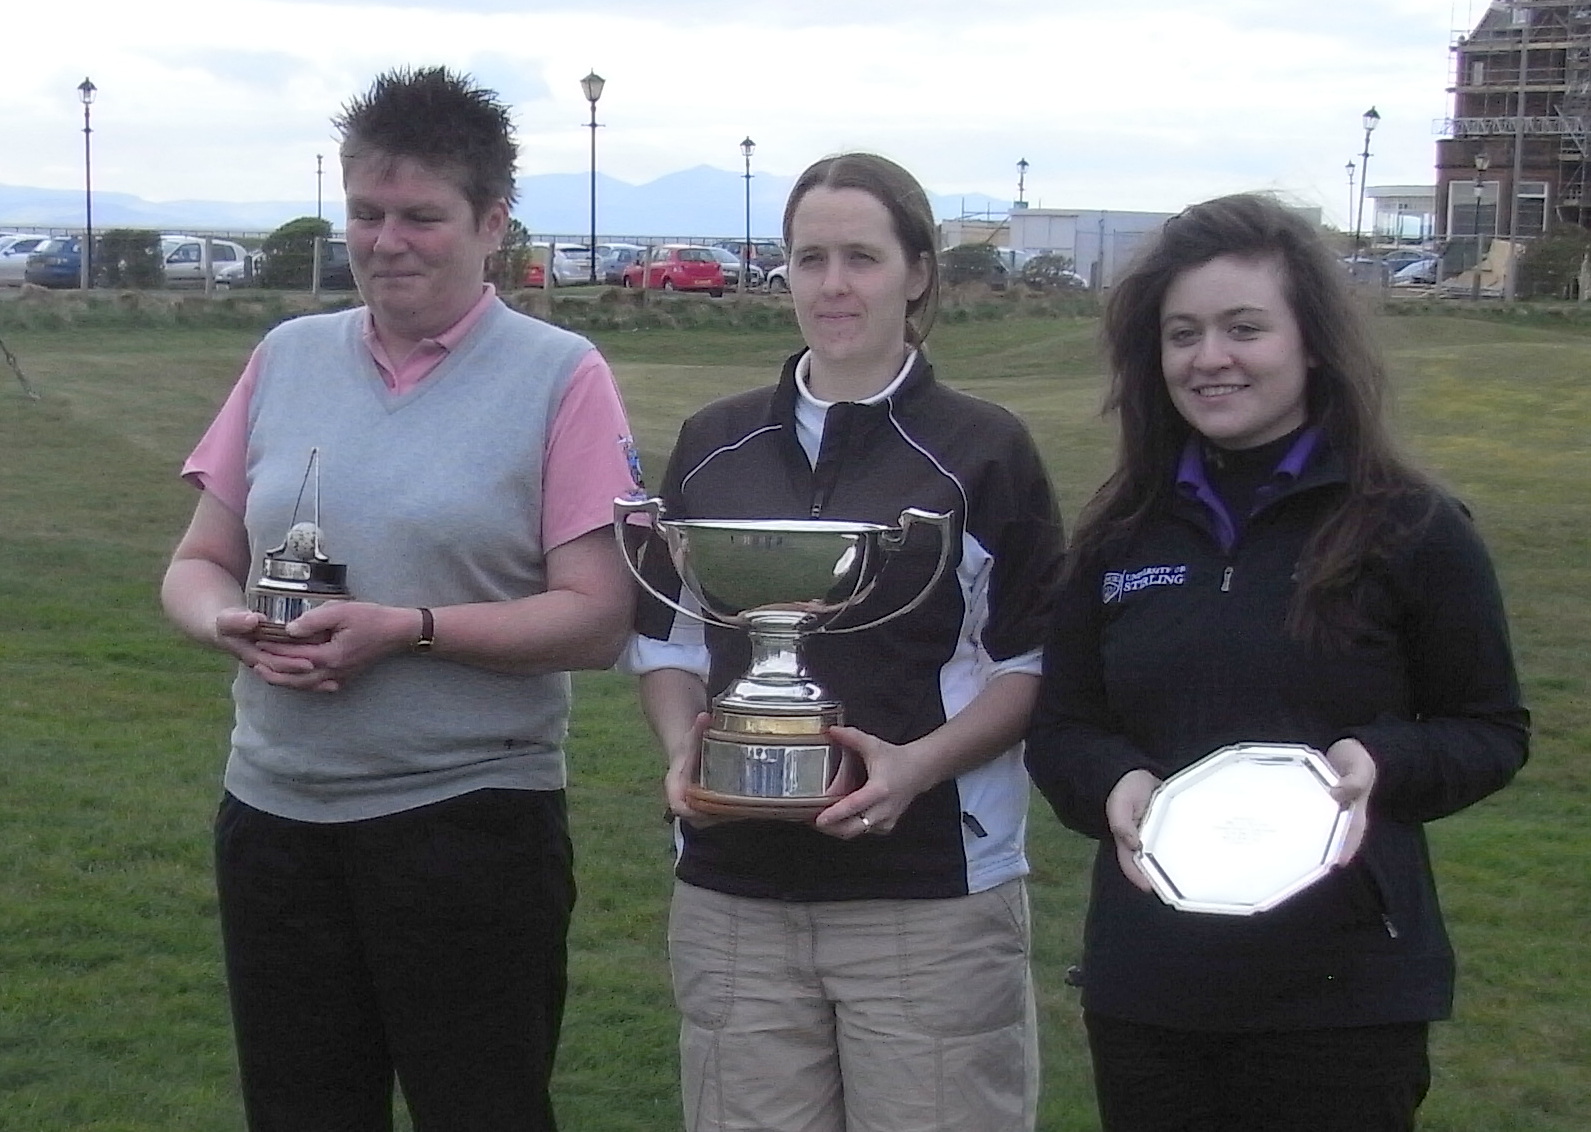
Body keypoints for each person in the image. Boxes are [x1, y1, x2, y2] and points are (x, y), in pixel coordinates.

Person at [160, 67, 639, 1132]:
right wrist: (224, 622)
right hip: (275, 818)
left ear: (493, 222)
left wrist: (409, 631)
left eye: (422, 216)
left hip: (467, 827)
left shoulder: (561, 374)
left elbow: (598, 618)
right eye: (367, 213)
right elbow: (198, 560)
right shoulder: (287, 355)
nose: (387, 241)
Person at [1025, 193, 1529, 1132]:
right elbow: (1061, 731)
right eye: (1182, 333)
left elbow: (1489, 731)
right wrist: (1112, 783)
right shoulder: (1118, 536)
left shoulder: (1411, 527)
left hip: (1343, 993)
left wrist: (1379, 763)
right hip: (1151, 986)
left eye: (1242, 327)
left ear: (1311, 343)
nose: (1208, 357)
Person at [628, 152, 1065, 1132]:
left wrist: (914, 766)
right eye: (809, 257)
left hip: (927, 893)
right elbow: (669, 642)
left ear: (916, 272)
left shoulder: (983, 449)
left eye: (861, 257)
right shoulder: (714, 441)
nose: (832, 285)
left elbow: (1031, 664)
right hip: (735, 893)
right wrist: (684, 752)